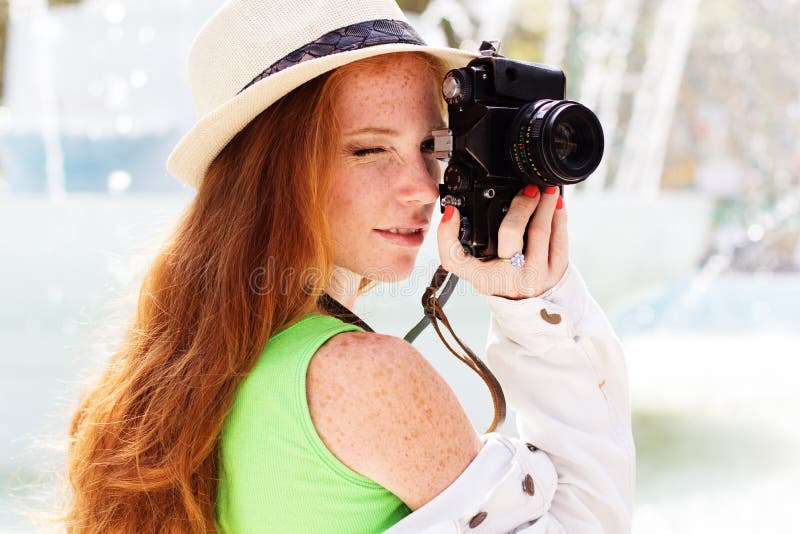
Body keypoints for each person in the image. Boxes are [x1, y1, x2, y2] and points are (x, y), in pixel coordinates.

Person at [65, 0, 635, 532]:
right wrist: (538, 310)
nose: (422, 188)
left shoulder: (187, 366)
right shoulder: (362, 376)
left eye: (431, 147)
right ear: (272, 173)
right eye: (369, 150)